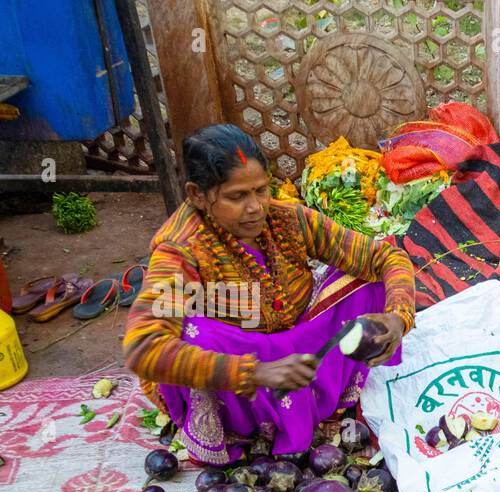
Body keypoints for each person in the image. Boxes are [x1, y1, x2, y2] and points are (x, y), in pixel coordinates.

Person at [123, 124, 417, 465]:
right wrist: (256, 373)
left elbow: (385, 257)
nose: (255, 207)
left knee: (367, 284)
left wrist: (398, 317)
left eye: (261, 190)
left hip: (300, 350)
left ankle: (325, 398)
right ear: (197, 195)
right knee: (194, 334)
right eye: (237, 196)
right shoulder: (180, 248)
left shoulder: (286, 218)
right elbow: (143, 349)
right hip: (239, 375)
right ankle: (249, 427)